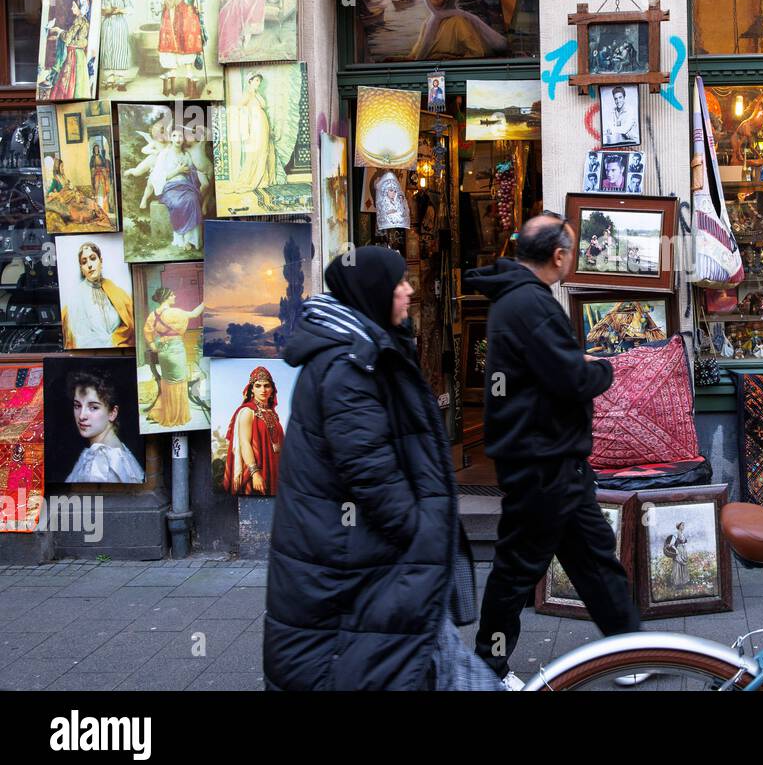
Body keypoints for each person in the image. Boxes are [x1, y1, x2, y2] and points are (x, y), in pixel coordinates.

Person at [266, 246, 498, 691]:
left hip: (367, 564)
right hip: (359, 564)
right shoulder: (348, 366)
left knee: (432, 661)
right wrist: (420, 533)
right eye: (399, 284)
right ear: (374, 293)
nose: (410, 291)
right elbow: (370, 472)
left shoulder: (361, 348)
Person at [466, 213, 640, 688]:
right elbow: (569, 378)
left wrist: (573, 364)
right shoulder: (531, 304)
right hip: (541, 460)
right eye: (571, 251)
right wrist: (600, 368)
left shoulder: (518, 298)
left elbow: (544, 371)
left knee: (593, 557)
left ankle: (627, 650)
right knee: (518, 568)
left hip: (552, 457)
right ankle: (487, 668)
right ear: (558, 256)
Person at [125, 127, 206, 251]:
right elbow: (160, 176)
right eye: (174, 136)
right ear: (171, 139)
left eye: (180, 136)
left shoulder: (186, 155)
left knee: (193, 199)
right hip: (169, 188)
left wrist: (189, 172)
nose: (178, 139)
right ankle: (181, 239)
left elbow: (193, 174)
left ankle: (190, 239)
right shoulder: (164, 154)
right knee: (179, 203)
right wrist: (177, 171)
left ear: (183, 139)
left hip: (185, 186)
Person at [407, 0, 508, 61]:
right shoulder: (427, 23)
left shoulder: (458, 22)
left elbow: (477, 53)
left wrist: (448, 59)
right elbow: (415, 56)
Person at [65, 370, 143, 484]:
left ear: (112, 413)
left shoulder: (99, 464)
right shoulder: (116, 450)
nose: (81, 416)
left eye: (93, 407)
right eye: (77, 406)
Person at [143, 286, 203, 428]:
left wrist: (153, 347)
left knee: (168, 382)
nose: (174, 296)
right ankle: (177, 415)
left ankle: (169, 412)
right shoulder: (175, 312)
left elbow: (147, 333)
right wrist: (205, 302)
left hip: (163, 352)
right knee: (179, 381)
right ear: (166, 297)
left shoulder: (153, 314)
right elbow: (194, 314)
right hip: (176, 350)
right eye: (172, 295)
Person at [221, 365, 285, 496]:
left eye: (267, 385)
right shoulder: (247, 411)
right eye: (258, 386)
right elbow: (244, 443)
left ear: (272, 389)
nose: (263, 389)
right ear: (251, 390)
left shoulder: (273, 414)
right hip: (257, 469)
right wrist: (255, 473)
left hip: (275, 466)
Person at [61, 241, 134, 349]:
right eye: (84, 262)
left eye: (93, 258)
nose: (89, 265)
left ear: (101, 261)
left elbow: (128, 325)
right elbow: (81, 338)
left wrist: (116, 341)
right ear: (81, 268)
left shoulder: (113, 289)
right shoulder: (76, 296)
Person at [43, 0, 92, 100]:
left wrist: (58, 30)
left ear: (81, 8)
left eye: (74, 6)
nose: (71, 8)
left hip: (73, 54)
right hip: (80, 55)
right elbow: (77, 39)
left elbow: (67, 37)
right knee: (79, 81)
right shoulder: (85, 21)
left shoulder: (78, 20)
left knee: (69, 79)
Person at [230, 72, 275, 192]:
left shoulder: (257, 94)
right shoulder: (248, 94)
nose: (258, 83)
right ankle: (253, 179)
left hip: (263, 124)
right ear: (250, 81)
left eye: (259, 81)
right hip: (256, 126)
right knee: (258, 151)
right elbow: (239, 108)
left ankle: (262, 180)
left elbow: (263, 107)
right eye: (256, 80)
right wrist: (247, 123)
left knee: (264, 150)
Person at [99, 0, 133, 92]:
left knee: (120, 49)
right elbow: (100, 10)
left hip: (119, 25)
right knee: (107, 49)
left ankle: (120, 80)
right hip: (107, 24)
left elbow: (130, 9)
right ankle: (110, 78)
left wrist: (120, 10)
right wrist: (105, 11)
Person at [666, 522, 690, 588]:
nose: (683, 526)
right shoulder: (675, 534)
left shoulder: (682, 534)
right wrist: (676, 550)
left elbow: (684, 542)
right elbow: (671, 544)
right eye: (682, 525)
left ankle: (683, 582)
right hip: (678, 551)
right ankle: (677, 583)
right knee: (678, 565)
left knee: (683, 566)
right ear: (679, 526)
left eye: (684, 525)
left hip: (683, 551)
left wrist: (684, 546)